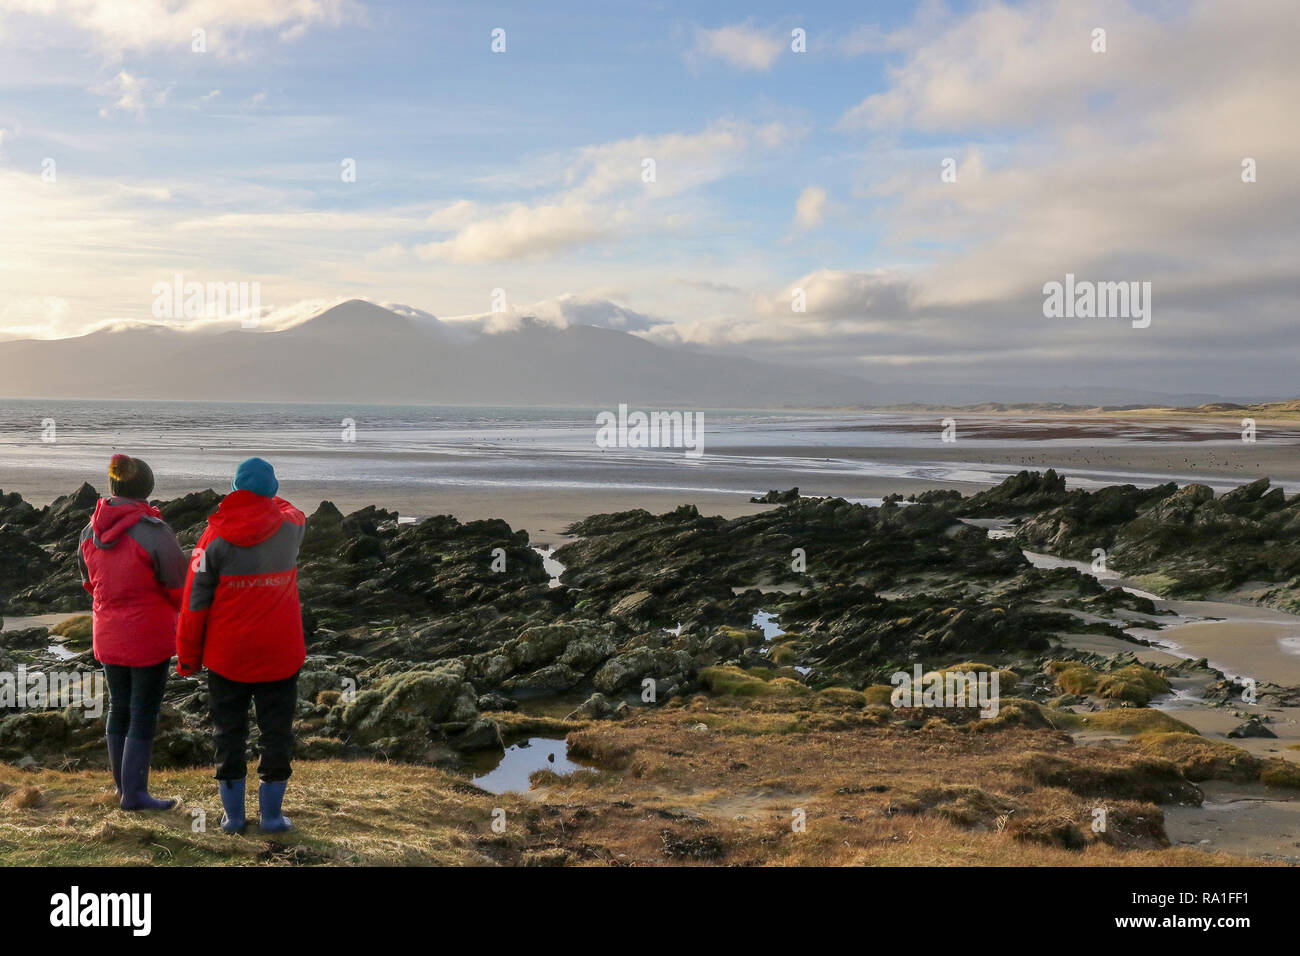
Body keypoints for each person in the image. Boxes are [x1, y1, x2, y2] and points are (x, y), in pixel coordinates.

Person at [176, 457, 305, 834]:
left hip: (227, 656)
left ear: (234, 489)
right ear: (272, 490)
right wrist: (266, 498)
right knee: (276, 733)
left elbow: (193, 603)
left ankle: (234, 817)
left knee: (229, 733)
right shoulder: (292, 526)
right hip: (280, 654)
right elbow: (290, 508)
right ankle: (272, 817)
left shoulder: (210, 539)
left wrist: (187, 659)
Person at [77, 454, 187, 811]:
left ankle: (124, 789)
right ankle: (135, 794)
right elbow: (177, 584)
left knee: (119, 708)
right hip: (149, 637)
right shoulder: (153, 531)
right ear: (147, 489)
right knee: (143, 712)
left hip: (107, 633)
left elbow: (89, 583)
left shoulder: (88, 531)